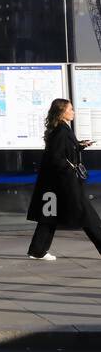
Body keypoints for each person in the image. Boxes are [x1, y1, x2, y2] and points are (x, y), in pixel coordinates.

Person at [27, 97, 101, 260]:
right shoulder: (61, 131)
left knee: (49, 215)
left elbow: (62, 151)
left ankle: (37, 250)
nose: (73, 112)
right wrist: (71, 168)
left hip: (56, 183)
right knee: (88, 216)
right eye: (71, 109)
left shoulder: (61, 128)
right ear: (62, 112)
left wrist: (79, 145)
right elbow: (56, 158)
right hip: (66, 183)